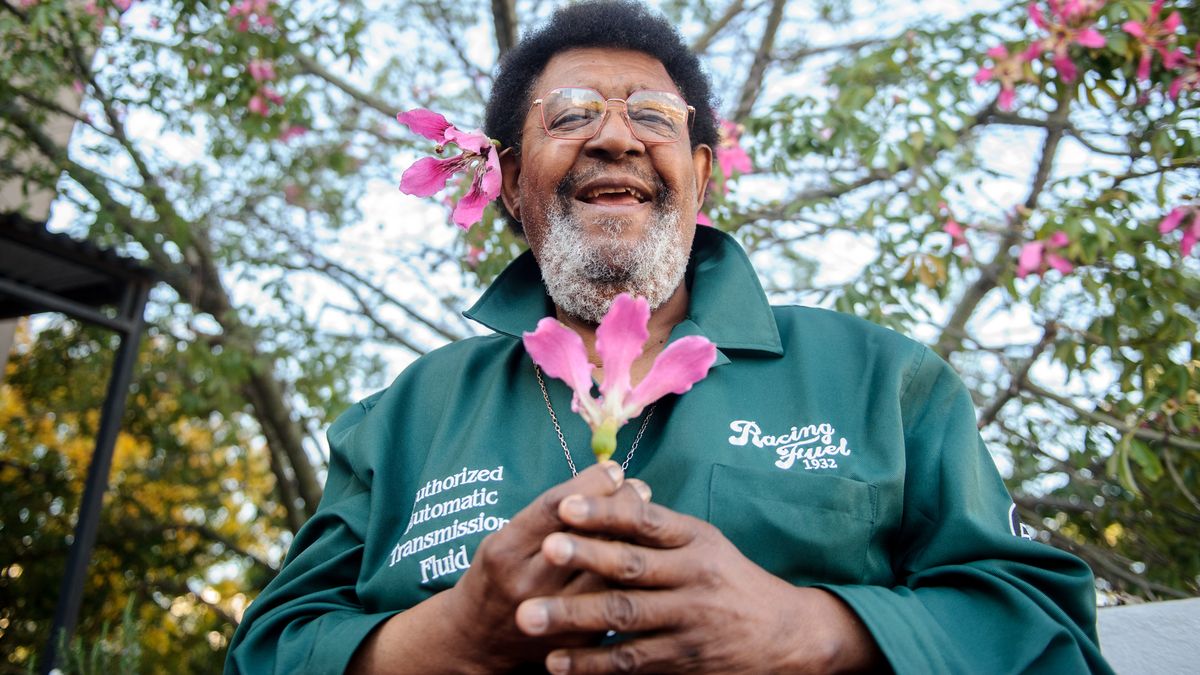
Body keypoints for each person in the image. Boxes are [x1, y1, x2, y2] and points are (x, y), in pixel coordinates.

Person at [226, 1, 1113, 673]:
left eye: (653, 115)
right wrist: (447, 635)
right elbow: (269, 646)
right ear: (504, 183)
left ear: (703, 175)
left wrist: (809, 629)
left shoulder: (885, 379)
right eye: (568, 115)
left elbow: (1046, 628)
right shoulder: (402, 418)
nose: (614, 135)